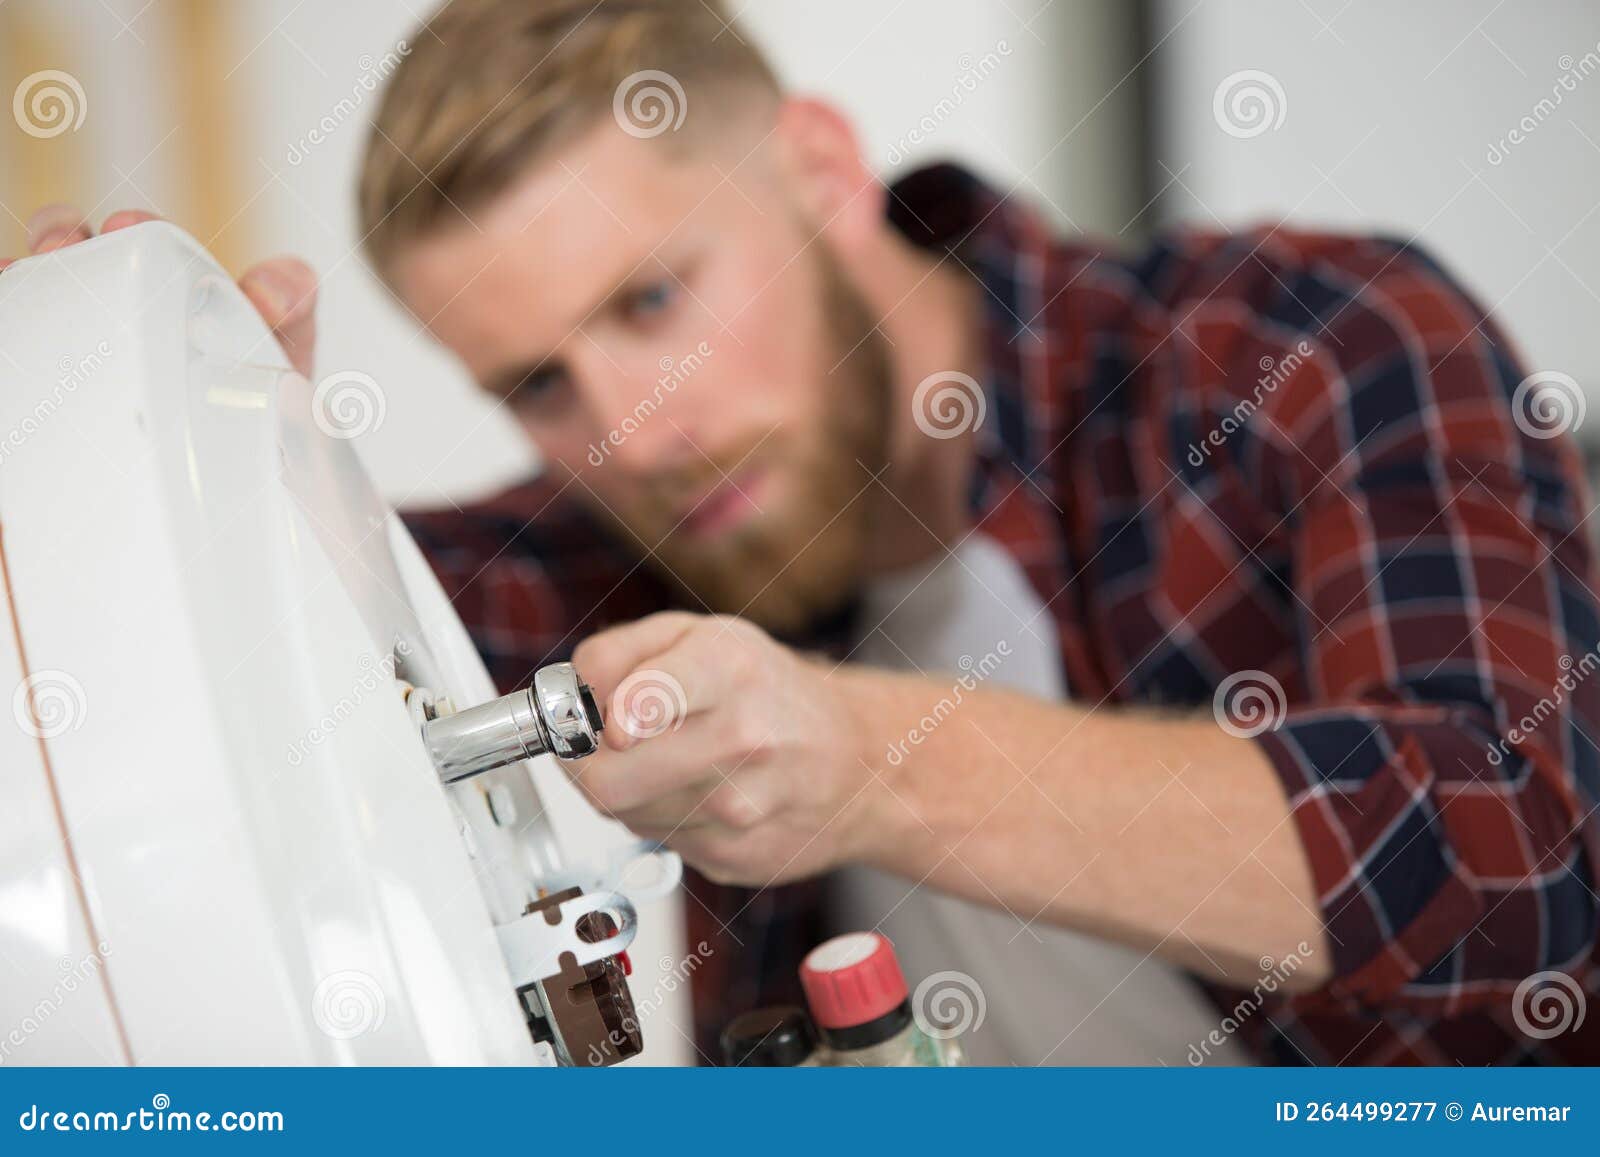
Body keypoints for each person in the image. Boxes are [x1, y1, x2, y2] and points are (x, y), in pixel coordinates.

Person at [12, 0, 1596, 1065]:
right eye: (539, 382)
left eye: (653, 301)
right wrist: (197, 523)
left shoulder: (1293, 343)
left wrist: (862, 758)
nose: (631, 426)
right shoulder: (592, 562)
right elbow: (273, 731)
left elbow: (1520, 856)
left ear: (824, 171)